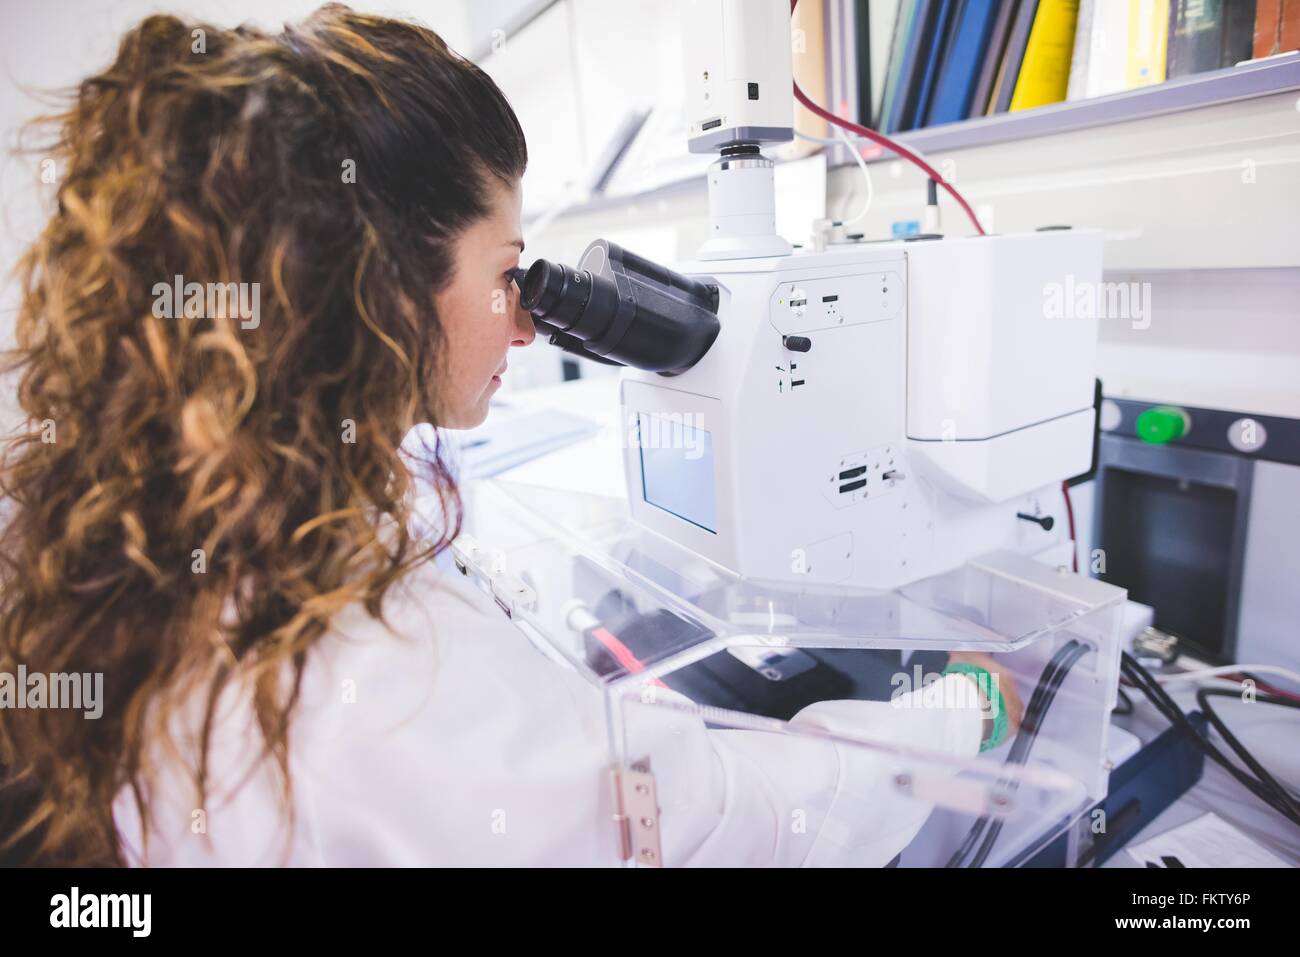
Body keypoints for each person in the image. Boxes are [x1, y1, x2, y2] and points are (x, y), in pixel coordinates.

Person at [0, 5, 1020, 867]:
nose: (528, 320)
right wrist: (958, 714)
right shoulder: (380, 674)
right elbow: (719, 819)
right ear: (382, 295)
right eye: (505, 273)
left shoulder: (163, 521)